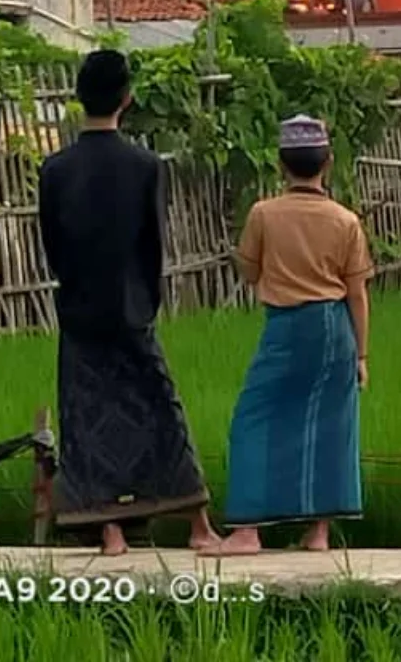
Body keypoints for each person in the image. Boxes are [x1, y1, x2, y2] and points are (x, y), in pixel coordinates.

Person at [38, 49, 224, 557]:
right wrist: (146, 299)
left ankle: (111, 531)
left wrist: (74, 286)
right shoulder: (143, 165)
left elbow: (50, 242)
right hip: (131, 305)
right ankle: (199, 524)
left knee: (87, 417)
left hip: (79, 307)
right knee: (160, 408)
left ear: (79, 99)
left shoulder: (55, 170)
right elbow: (152, 244)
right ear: (128, 97)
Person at [221, 115, 373, 555]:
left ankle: (248, 530)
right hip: (333, 326)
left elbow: (249, 270)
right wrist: (361, 354)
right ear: (327, 162)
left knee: (252, 418)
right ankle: (318, 533)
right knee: (330, 422)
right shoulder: (346, 221)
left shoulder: (264, 214)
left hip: (285, 325)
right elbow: (357, 293)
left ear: (281, 164)